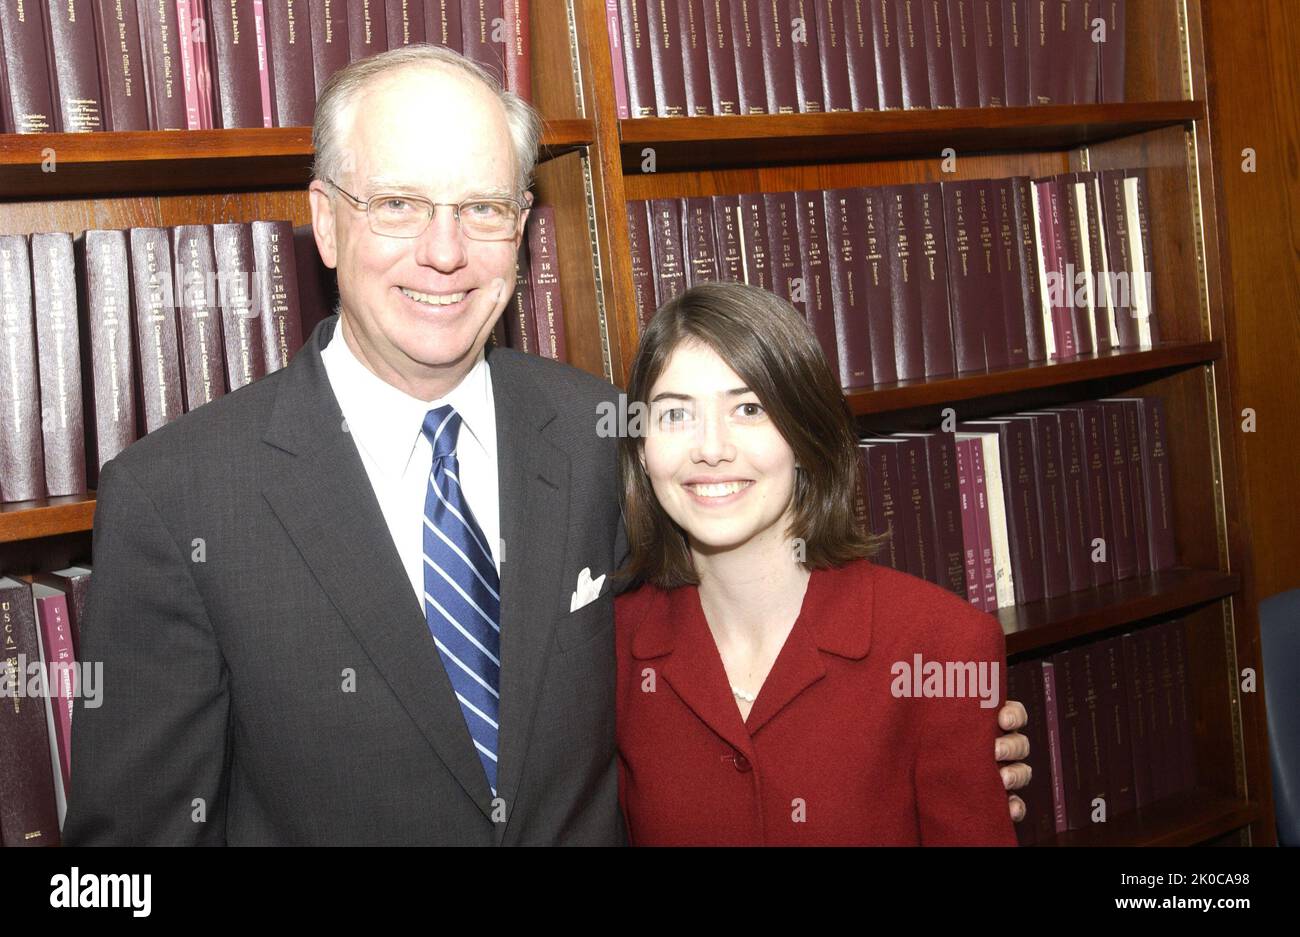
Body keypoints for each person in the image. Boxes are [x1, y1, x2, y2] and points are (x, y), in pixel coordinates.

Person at [64, 45, 1027, 846]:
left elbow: (740, 622)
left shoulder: (603, 431)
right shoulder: (179, 497)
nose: (445, 252)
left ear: (523, 232)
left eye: (484, 209)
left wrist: (933, 723)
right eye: (397, 204)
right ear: (323, 220)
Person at [615, 282, 1019, 845]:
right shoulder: (609, 651)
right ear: (640, 447)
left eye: (749, 408)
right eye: (676, 415)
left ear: (805, 436)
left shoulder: (941, 645)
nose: (710, 448)